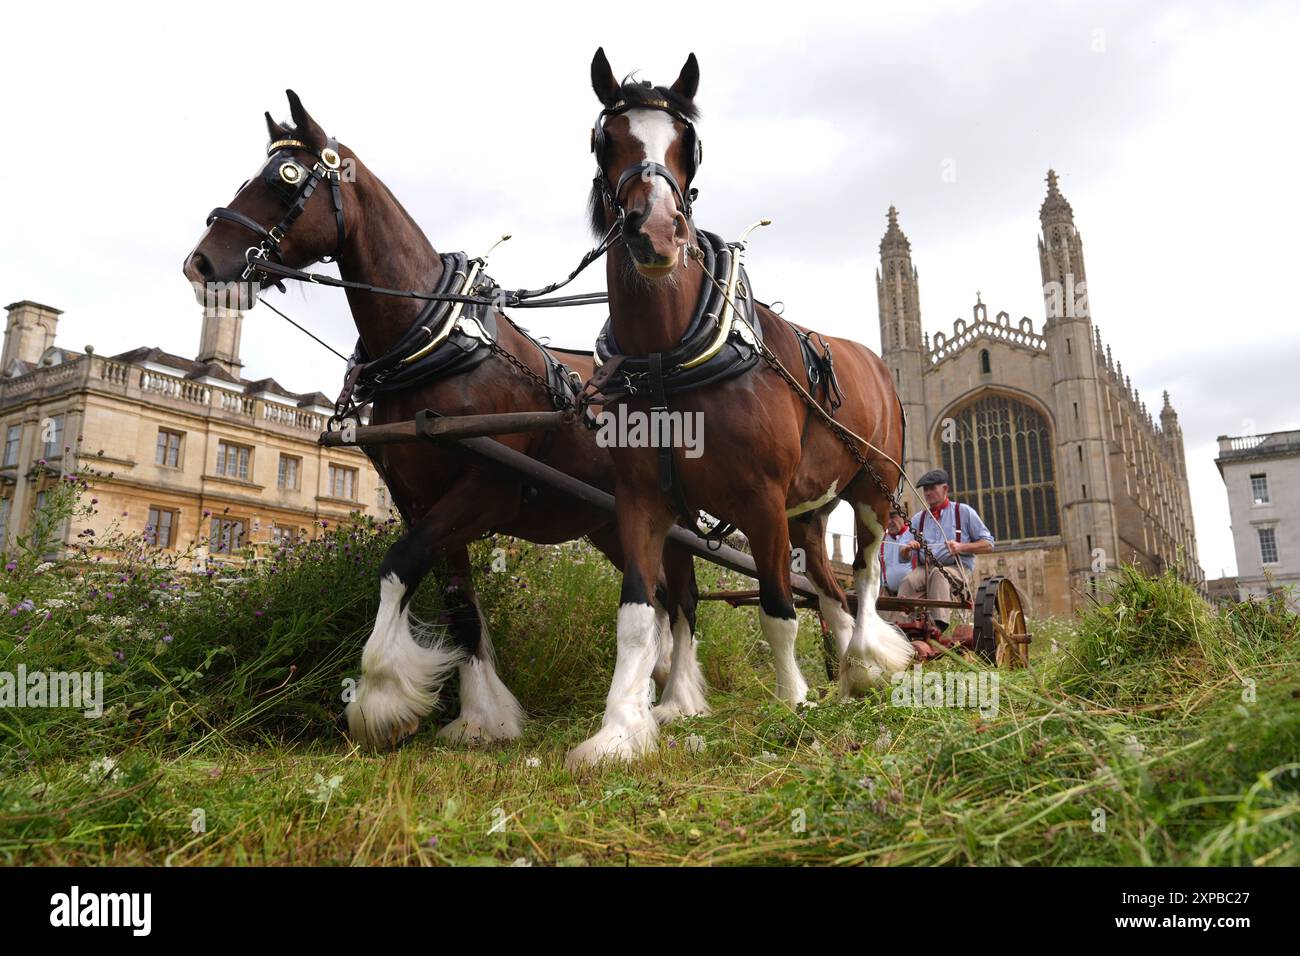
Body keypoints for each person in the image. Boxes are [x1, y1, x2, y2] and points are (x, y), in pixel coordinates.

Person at [897, 469, 995, 632]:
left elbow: (989, 544)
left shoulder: (963, 512)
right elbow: (902, 555)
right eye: (925, 489)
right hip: (925, 569)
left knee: (939, 574)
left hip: (957, 568)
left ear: (945, 489)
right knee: (908, 580)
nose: (927, 493)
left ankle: (938, 625)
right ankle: (902, 625)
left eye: (932, 488)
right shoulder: (918, 519)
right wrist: (907, 549)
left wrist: (961, 547)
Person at [878, 505, 915, 597]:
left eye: (892, 517)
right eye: (886, 518)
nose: (889, 522)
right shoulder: (882, 541)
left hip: (913, 593)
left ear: (903, 517)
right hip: (888, 593)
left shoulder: (913, 536)